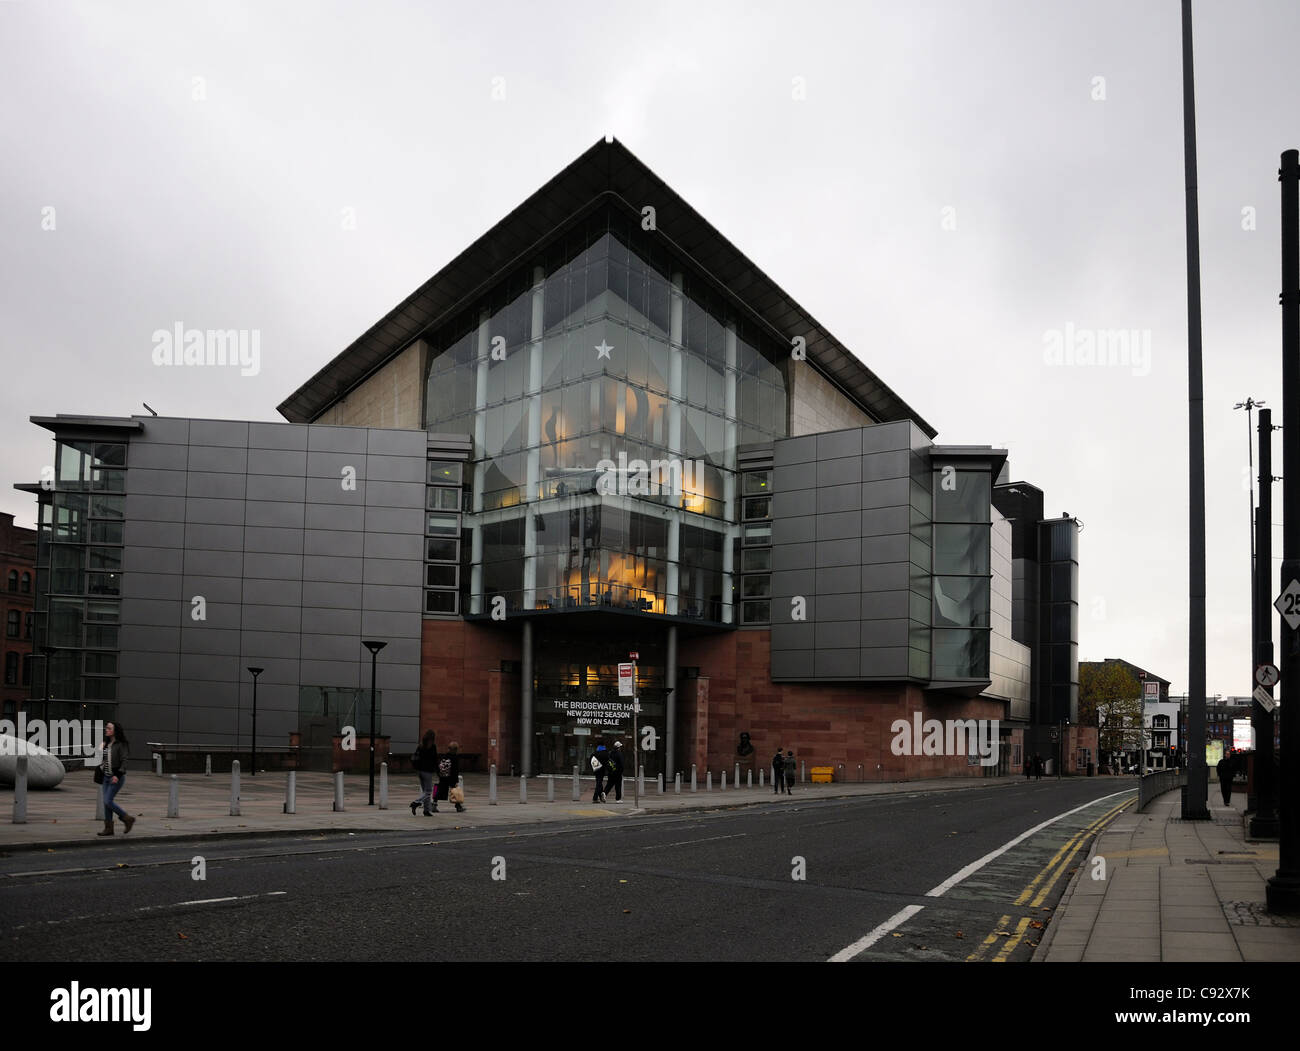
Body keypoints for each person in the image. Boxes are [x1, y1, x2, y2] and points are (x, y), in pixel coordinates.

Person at [97, 722, 134, 837]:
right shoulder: (107, 743)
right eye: (106, 727)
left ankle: (127, 818)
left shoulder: (121, 744)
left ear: (115, 730)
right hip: (106, 776)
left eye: (109, 728)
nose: (106, 729)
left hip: (116, 776)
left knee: (108, 801)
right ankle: (108, 828)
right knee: (106, 803)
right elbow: (103, 759)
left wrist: (117, 776)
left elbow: (124, 760)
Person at [410, 730, 439, 816]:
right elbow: (435, 760)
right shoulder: (432, 747)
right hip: (428, 771)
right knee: (428, 792)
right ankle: (416, 802)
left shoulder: (421, 745)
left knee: (425, 791)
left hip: (420, 771)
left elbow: (415, 757)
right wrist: (438, 771)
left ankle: (426, 810)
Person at [438, 741, 463, 813]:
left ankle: (434, 804)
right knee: (456, 792)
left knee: (439, 790)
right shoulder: (455, 757)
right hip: (452, 778)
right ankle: (458, 806)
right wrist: (456, 780)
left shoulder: (445, 756)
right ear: (455, 749)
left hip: (443, 777)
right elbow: (455, 770)